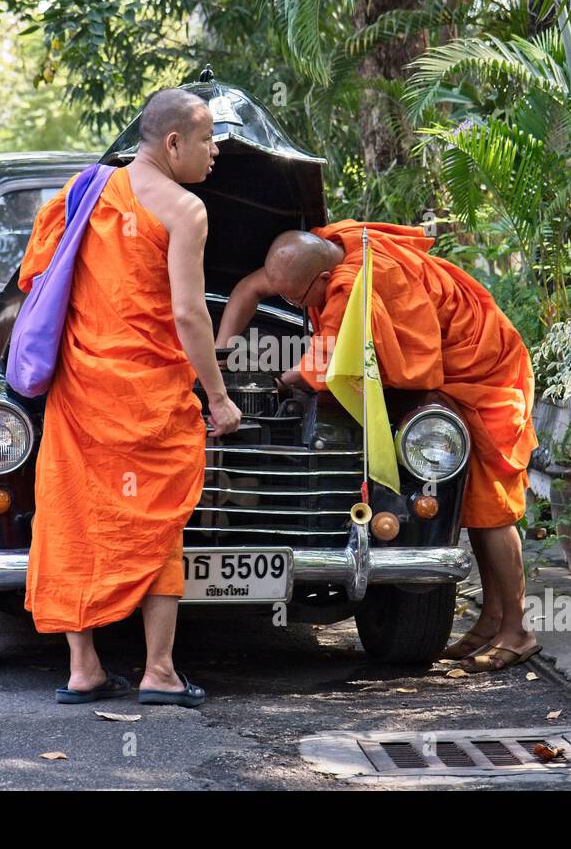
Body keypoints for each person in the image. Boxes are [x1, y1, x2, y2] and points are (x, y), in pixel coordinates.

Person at [216, 221, 539, 672]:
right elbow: (252, 286)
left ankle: (519, 630)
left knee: (493, 508)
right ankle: (490, 622)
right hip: (461, 364)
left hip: (482, 368)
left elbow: (341, 368)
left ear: (325, 281)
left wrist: (278, 381)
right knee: (477, 506)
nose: (294, 307)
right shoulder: (323, 250)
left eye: (296, 300)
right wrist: (220, 358)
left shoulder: (356, 287)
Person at [17, 88, 240, 708]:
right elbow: (191, 315)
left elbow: (35, 276)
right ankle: (160, 671)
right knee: (158, 522)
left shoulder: (86, 191)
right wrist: (218, 398)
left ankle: (83, 668)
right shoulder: (185, 209)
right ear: (174, 143)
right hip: (150, 397)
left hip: (82, 387)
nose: (216, 150)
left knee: (72, 517)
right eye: (207, 139)